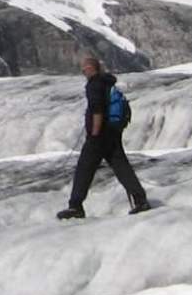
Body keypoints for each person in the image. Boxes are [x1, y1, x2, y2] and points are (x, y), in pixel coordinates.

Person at [57, 57, 151, 220]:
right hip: (113, 133)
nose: (83, 72)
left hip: (99, 136)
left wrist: (94, 134)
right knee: (121, 167)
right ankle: (140, 200)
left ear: (89, 68)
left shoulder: (94, 84)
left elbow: (97, 110)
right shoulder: (107, 82)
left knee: (84, 169)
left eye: (83, 69)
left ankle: (75, 206)